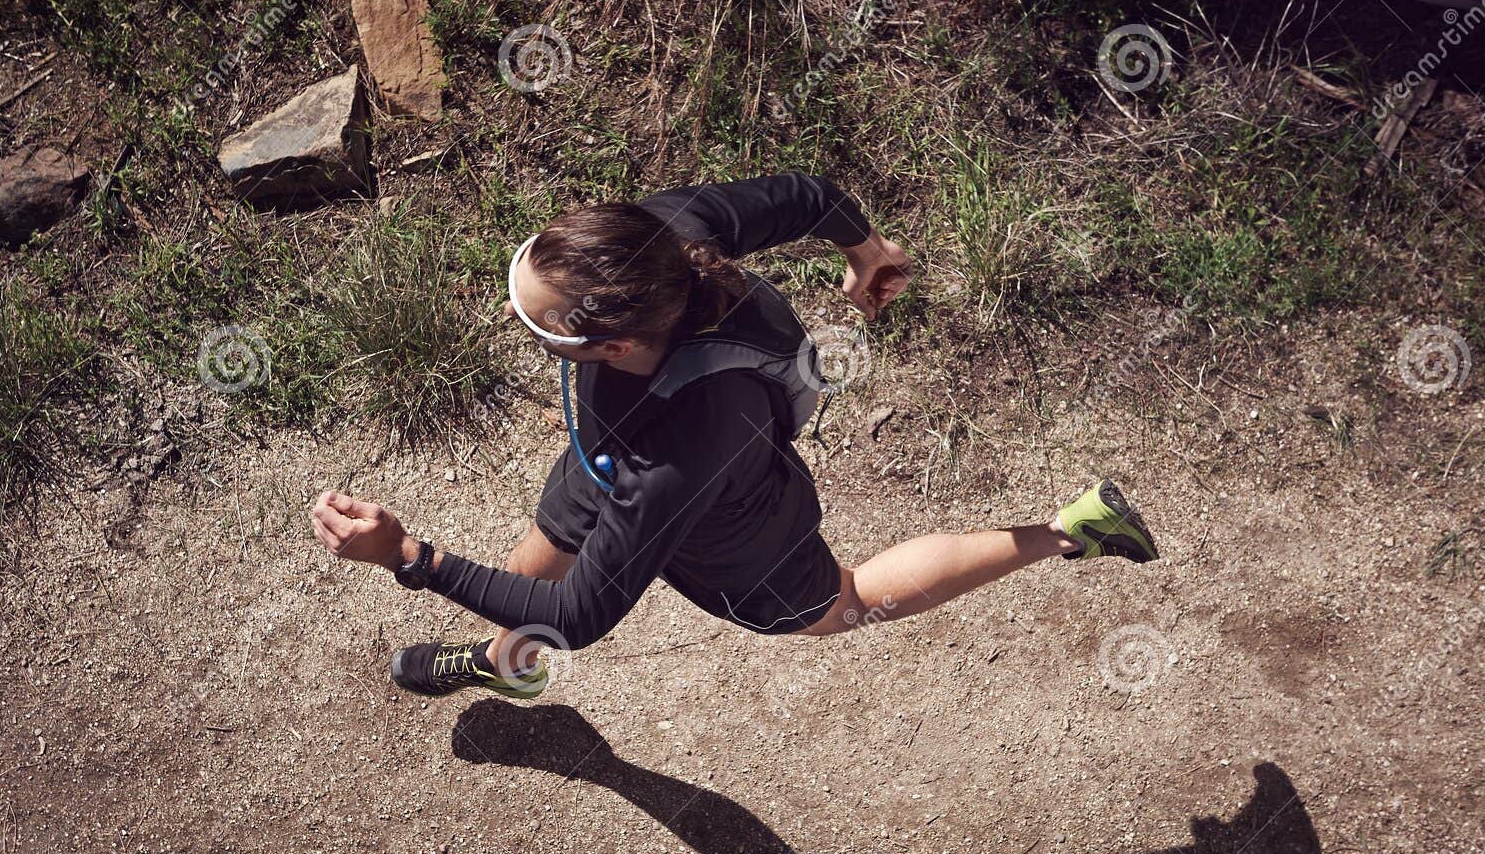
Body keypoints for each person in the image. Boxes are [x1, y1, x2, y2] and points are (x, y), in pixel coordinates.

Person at [310, 173, 1158, 699]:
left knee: (847, 602)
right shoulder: (661, 239)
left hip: (730, 512)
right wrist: (867, 250)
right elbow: (803, 193)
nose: (509, 311)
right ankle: (504, 664)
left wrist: (412, 559)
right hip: (610, 449)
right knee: (556, 526)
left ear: (609, 346)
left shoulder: (678, 454)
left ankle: (1064, 531)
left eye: (535, 322)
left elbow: (581, 612)